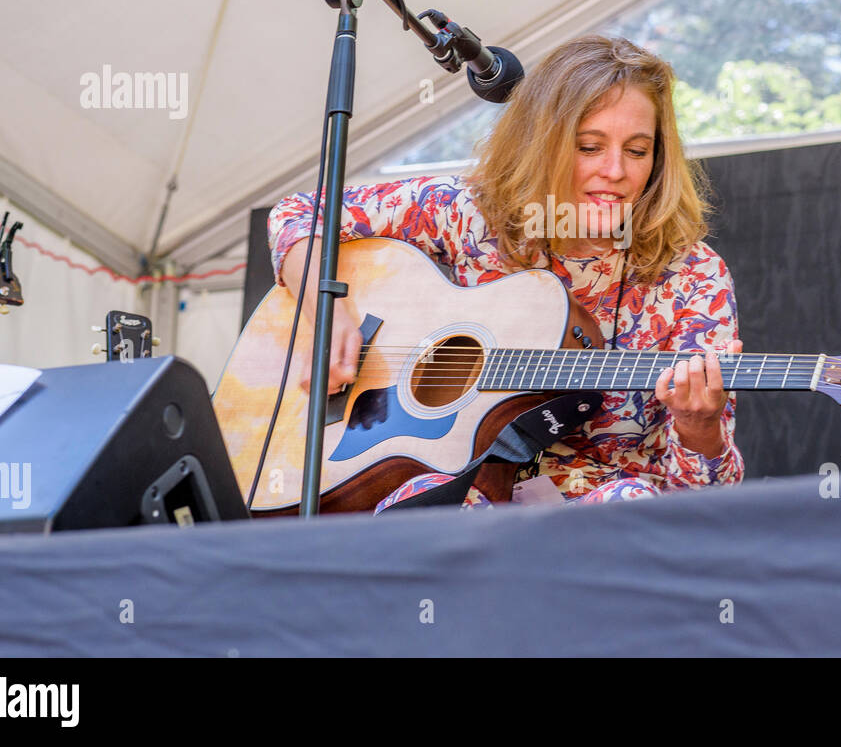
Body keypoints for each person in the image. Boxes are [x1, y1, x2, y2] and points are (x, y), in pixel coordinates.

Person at [268, 34, 743, 511]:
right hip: (451, 501)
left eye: (637, 151)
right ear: (542, 143)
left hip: (599, 522)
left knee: (629, 502)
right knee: (427, 504)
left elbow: (705, 502)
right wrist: (329, 316)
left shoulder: (693, 276)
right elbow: (298, 214)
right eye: (589, 147)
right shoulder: (467, 212)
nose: (615, 171)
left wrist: (699, 425)